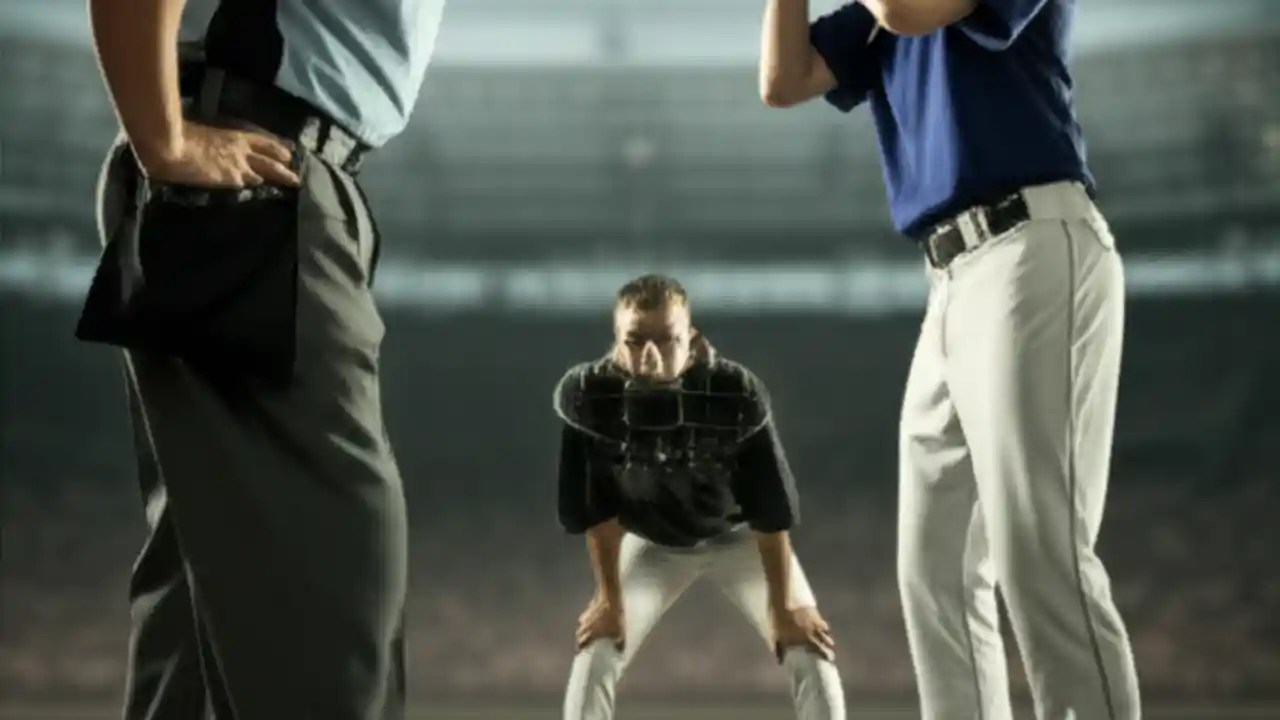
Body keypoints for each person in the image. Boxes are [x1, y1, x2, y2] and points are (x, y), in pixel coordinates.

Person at [757, 1, 1142, 718]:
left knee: (1039, 555)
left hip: (1031, 244)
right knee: (933, 571)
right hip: (951, 277)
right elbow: (784, 79)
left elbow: (905, 14)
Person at [76, 1, 447, 717]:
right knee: (334, 581)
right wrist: (166, 142)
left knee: (202, 590)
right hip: (256, 174)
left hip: (263, 168)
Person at [554, 274, 846, 720]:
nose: (649, 358)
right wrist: (609, 600)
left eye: (665, 341)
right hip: (652, 541)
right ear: (615, 342)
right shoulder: (592, 397)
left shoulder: (732, 392)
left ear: (691, 340)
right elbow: (596, 509)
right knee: (595, 655)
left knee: (810, 651)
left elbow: (771, 508)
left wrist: (785, 607)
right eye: (634, 341)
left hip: (739, 535)